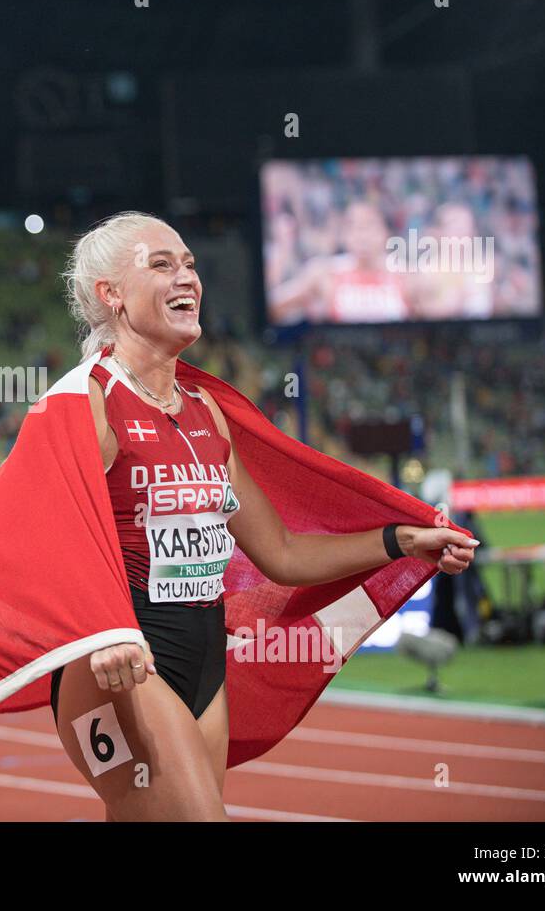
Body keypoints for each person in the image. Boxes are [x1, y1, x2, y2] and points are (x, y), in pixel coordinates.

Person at [53, 211, 478, 821]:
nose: (187, 278)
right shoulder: (84, 403)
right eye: (162, 264)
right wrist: (103, 633)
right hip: (122, 660)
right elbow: (47, 539)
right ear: (110, 294)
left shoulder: (206, 413)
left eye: (191, 264)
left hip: (203, 657)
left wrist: (401, 539)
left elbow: (281, 554)